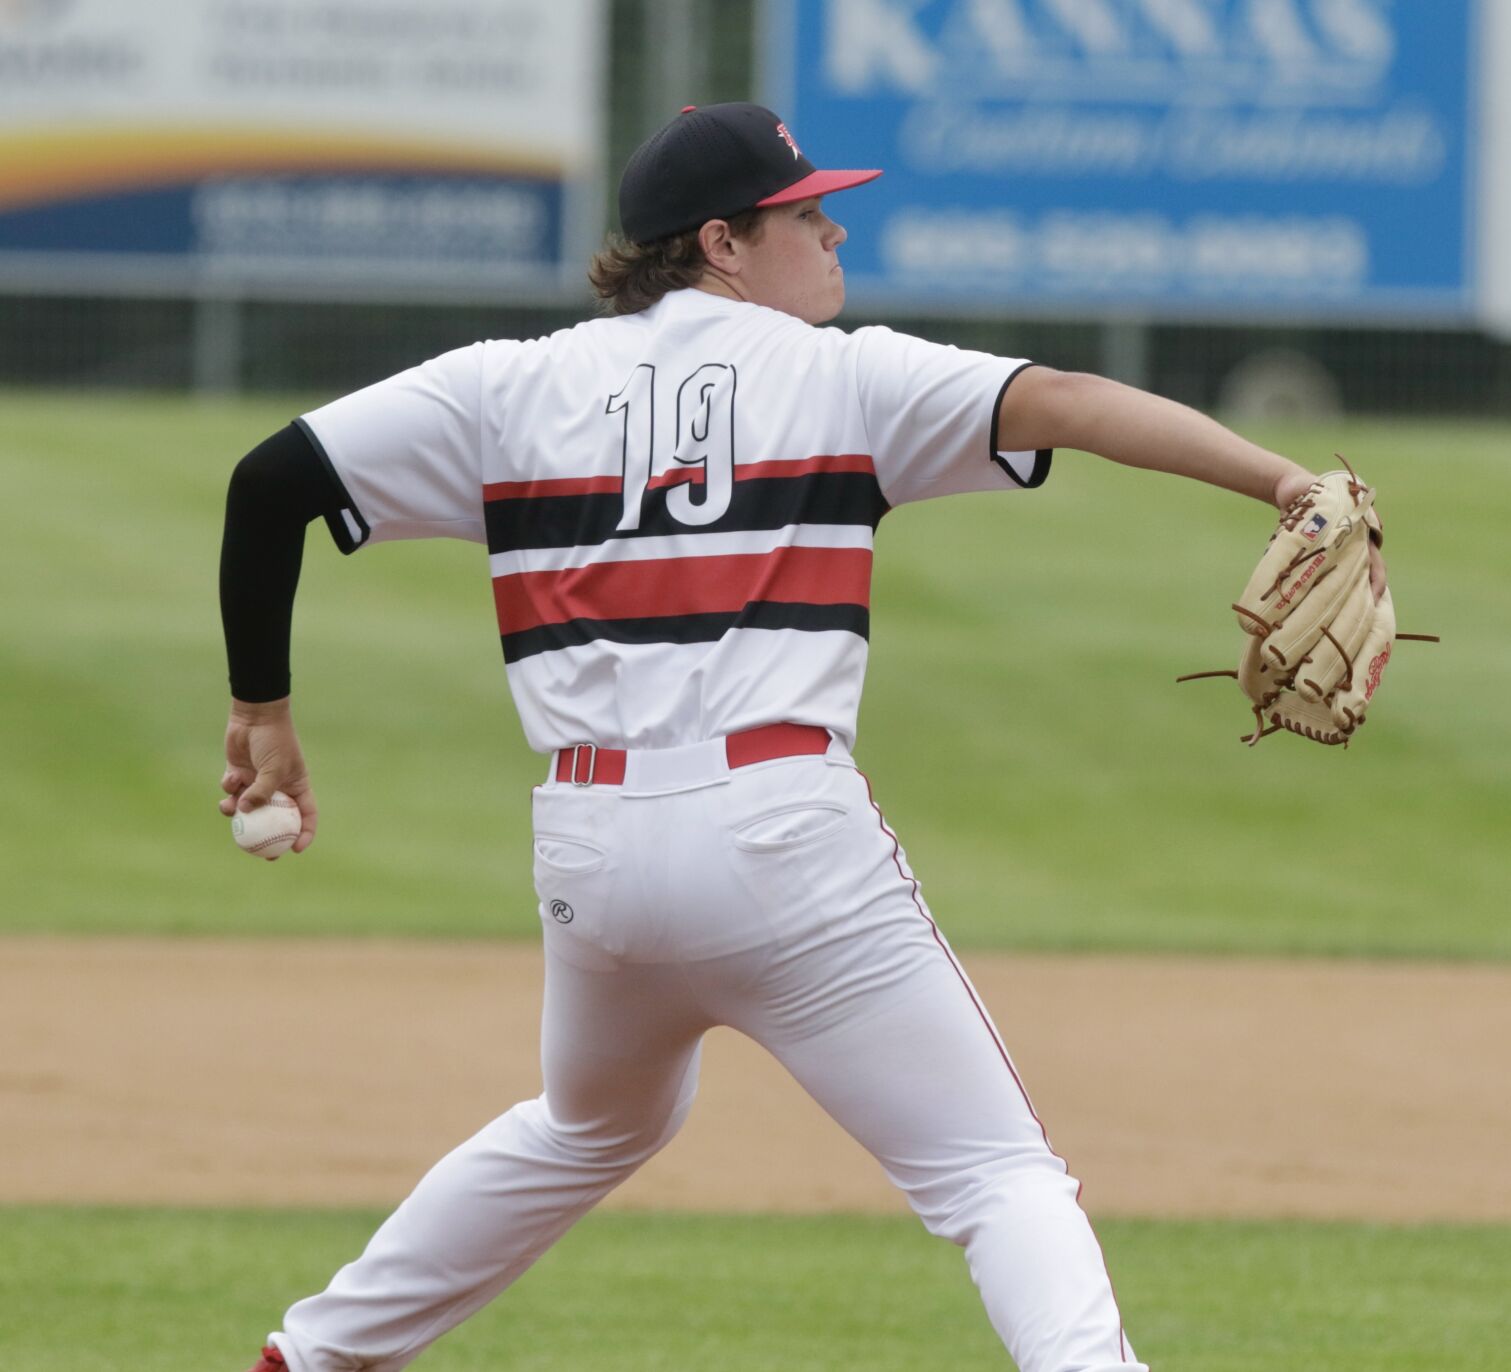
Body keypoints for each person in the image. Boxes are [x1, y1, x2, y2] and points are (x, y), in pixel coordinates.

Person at [221, 102, 1380, 1372]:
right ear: (719, 242)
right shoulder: (842, 376)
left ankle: (314, 1356)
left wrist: (261, 713)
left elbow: (268, 485)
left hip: (591, 853)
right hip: (780, 839)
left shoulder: (504, 386)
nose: (832, 233)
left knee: (588, 1124)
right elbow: (1066, 401)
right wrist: (1279, 479)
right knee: (994, 1171)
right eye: (804, 213)